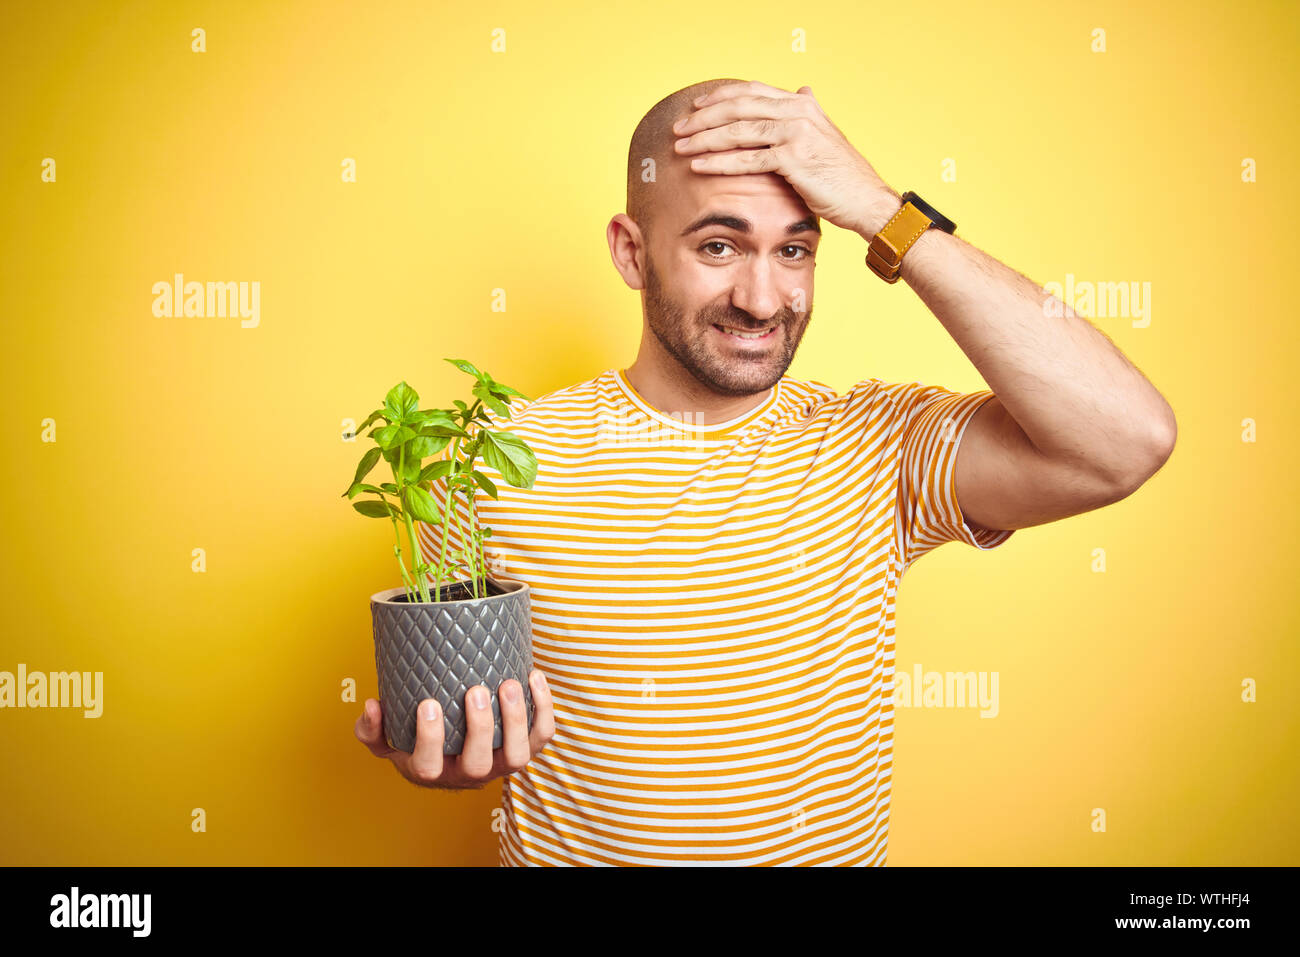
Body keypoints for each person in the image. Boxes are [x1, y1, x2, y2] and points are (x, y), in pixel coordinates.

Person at [355, 77, 1177, 866]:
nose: (763, 296)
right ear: (631, 252)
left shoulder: (877, 445)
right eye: (720, 244)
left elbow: (1126, 439)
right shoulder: (494, 460)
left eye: (794, 249)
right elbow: (452, 721)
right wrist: (442, 756)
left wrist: (889, 214)